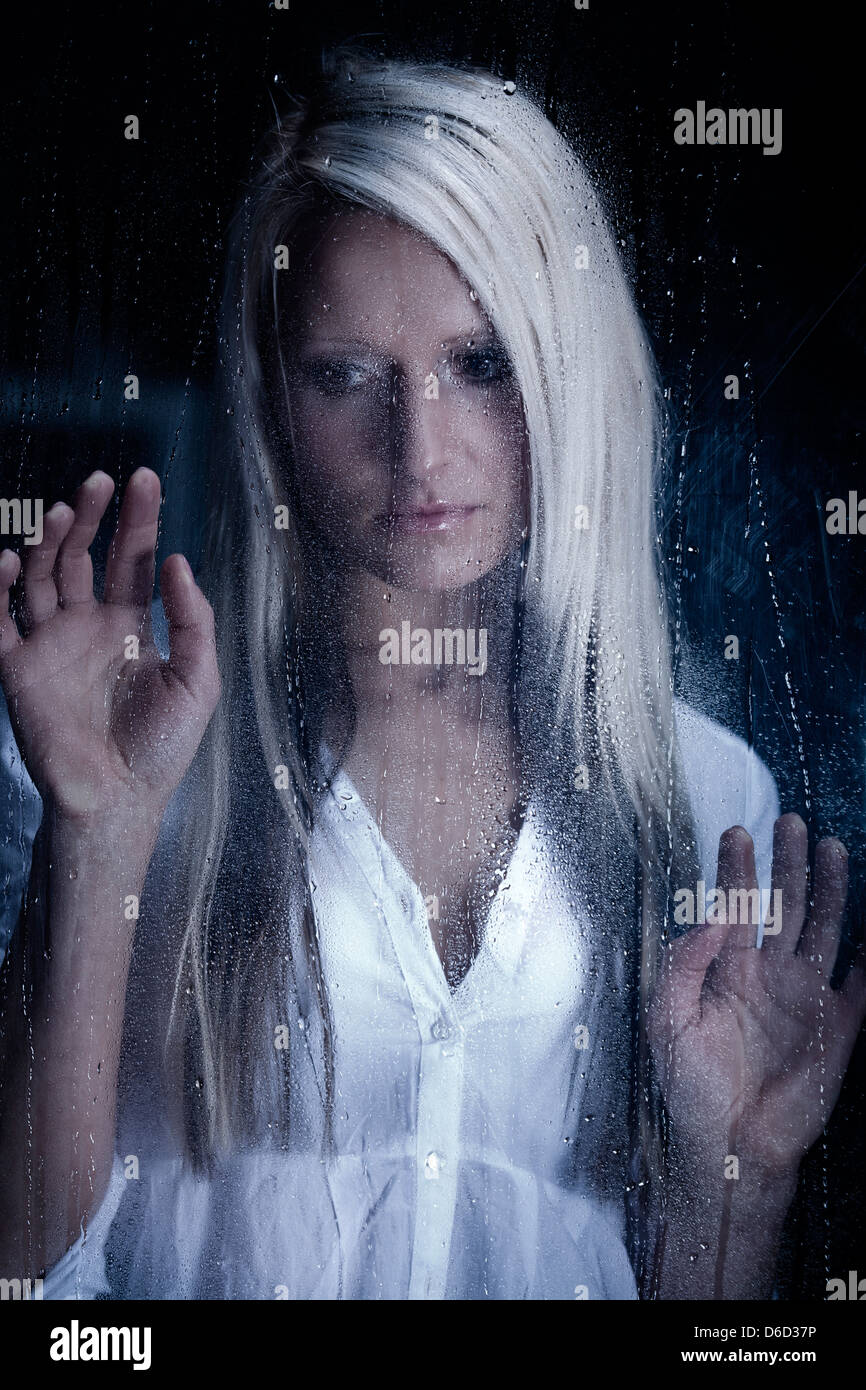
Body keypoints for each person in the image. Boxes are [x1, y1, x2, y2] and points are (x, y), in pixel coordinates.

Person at [0, 47, 863, 1301]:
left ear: (565, 374)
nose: (420, 448)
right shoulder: (120, 754)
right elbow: (23, 1288)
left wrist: (740, 1180)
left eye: (478, 364)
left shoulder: (706, 791)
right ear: (270, 403)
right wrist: (97, 844)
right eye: (346, 376)